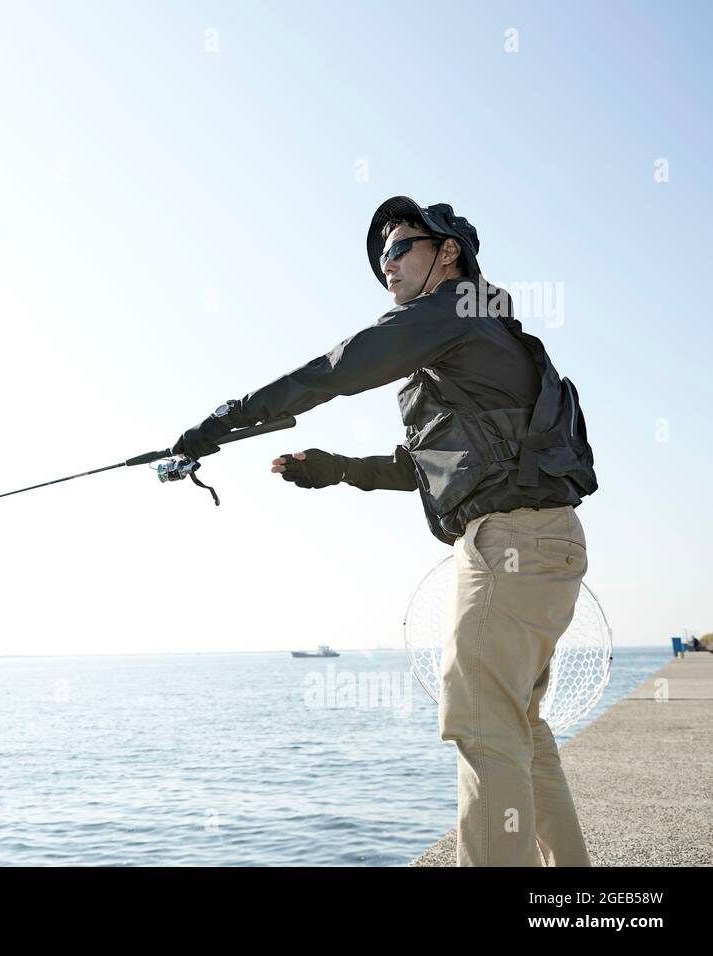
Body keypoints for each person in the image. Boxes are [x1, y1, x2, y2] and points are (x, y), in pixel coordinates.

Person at [174, 196, 599, 867]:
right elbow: (425, 466)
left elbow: (347, 364)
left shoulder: (455, 311)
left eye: (400, 247)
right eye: (380, 258)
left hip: (509, 548)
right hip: (547, 542)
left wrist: (233, 418)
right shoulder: (485, 333)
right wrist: (336, 469)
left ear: (447, 252)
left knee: (486, 729)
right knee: (520, 729)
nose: (387, 265)